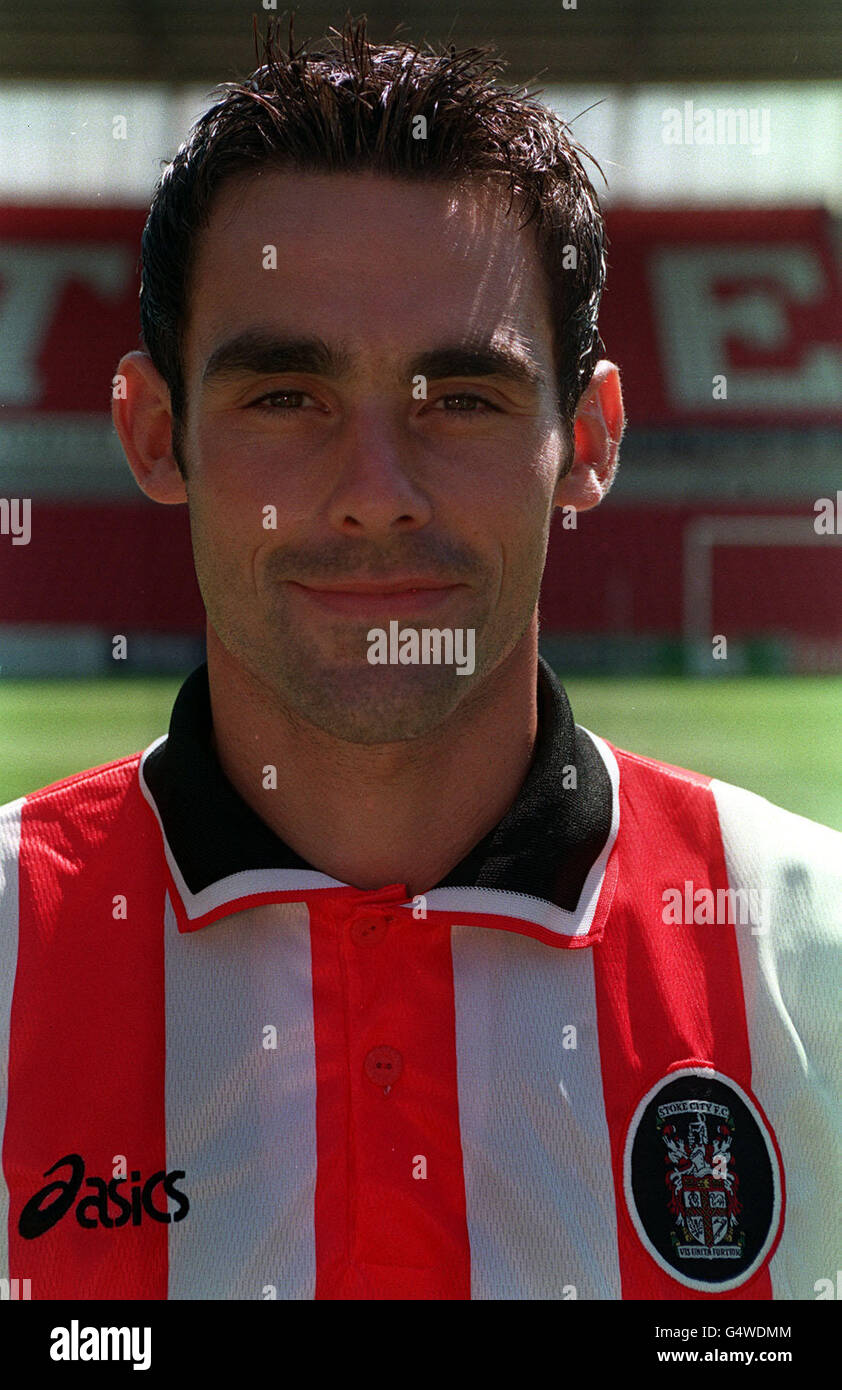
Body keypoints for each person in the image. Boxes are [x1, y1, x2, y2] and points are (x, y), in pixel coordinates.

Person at [0, 18, 838, 1302]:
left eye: (463, 398)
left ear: (591, 439)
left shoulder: (807, 956)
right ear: (157, 435)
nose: (376, 494)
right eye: (286, 396)